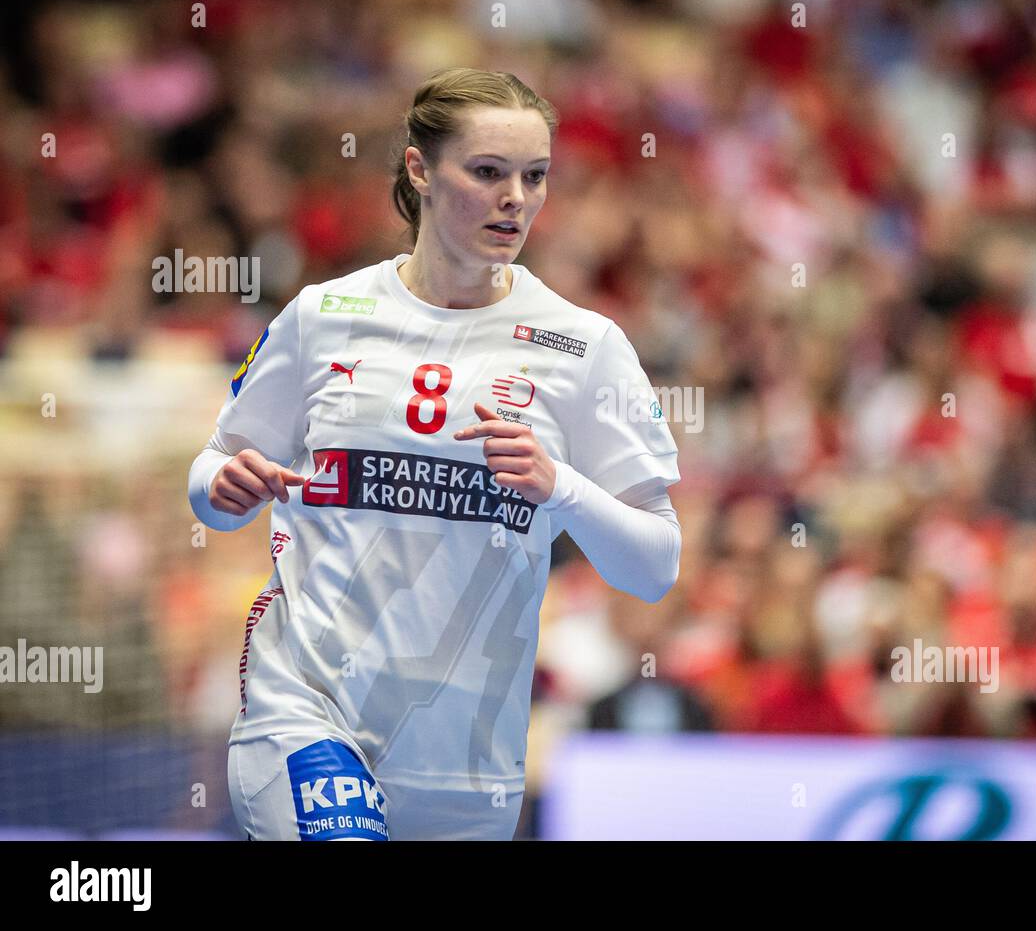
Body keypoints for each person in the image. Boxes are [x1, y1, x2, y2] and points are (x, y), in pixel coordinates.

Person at [187, 68, 682, 840]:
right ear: (419, 169)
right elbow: (213, 472)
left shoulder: (585, 347)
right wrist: (220, 484)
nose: (516, 197)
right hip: (306, 711)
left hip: (466, 766)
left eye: (535, 175)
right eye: (487, 172)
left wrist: (560, 488)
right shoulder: (324, 315)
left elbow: (654, 566)